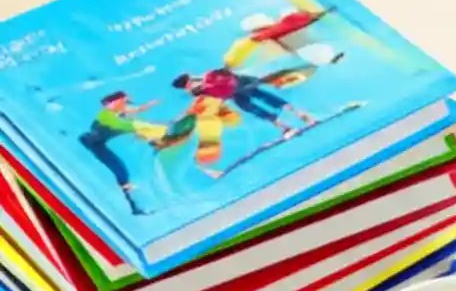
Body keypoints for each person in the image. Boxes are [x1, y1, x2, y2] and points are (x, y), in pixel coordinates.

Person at [79, 91, 166, 214]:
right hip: (93, 143)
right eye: (123, 102)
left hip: (99, 143)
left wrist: (151, 104)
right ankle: (134, 205)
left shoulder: (119, 112)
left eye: (126, 102)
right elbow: (123, 124)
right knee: (121, 171)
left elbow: (137, 110)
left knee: (122, 172)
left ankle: (134, 205)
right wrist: (145, 128)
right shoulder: (106, 115)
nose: (125, 105)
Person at [172, 68, 314, 139]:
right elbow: (227, 75)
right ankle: (295, 118)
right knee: (261, 100)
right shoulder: (205, 78)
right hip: (237, 88)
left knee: (255, 105)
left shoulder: (198, 86)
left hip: (236, 90)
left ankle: (289, 124)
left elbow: (216, 90)